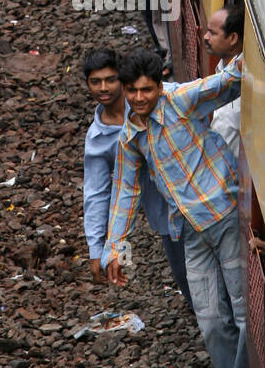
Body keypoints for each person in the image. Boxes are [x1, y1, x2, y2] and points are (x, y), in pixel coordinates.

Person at [102, 49, 254, 368]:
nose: (140, 99)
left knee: (243, 314)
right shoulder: (130, 137)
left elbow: (226, 84)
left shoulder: (181, 100)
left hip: (224, 216)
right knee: (212, 323)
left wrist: (245, 54)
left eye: (147, 90)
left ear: (159, 86)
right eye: (133, 91)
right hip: (189, 231)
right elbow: (124, 191)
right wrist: (115, 248)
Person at [82, 48, 192, 305]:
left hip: (199, 200)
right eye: (95, 82)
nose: (103, 88)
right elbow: (97, 193)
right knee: (189, 283)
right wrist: (96, 250)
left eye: (110, 80)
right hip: (165, 216)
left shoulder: (163, 99)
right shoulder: (98, 139)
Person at [203, 0, 245, 159]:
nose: (205, 37)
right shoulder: (223, 70)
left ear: (233, 38)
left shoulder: (244, 82)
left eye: (213, 33)